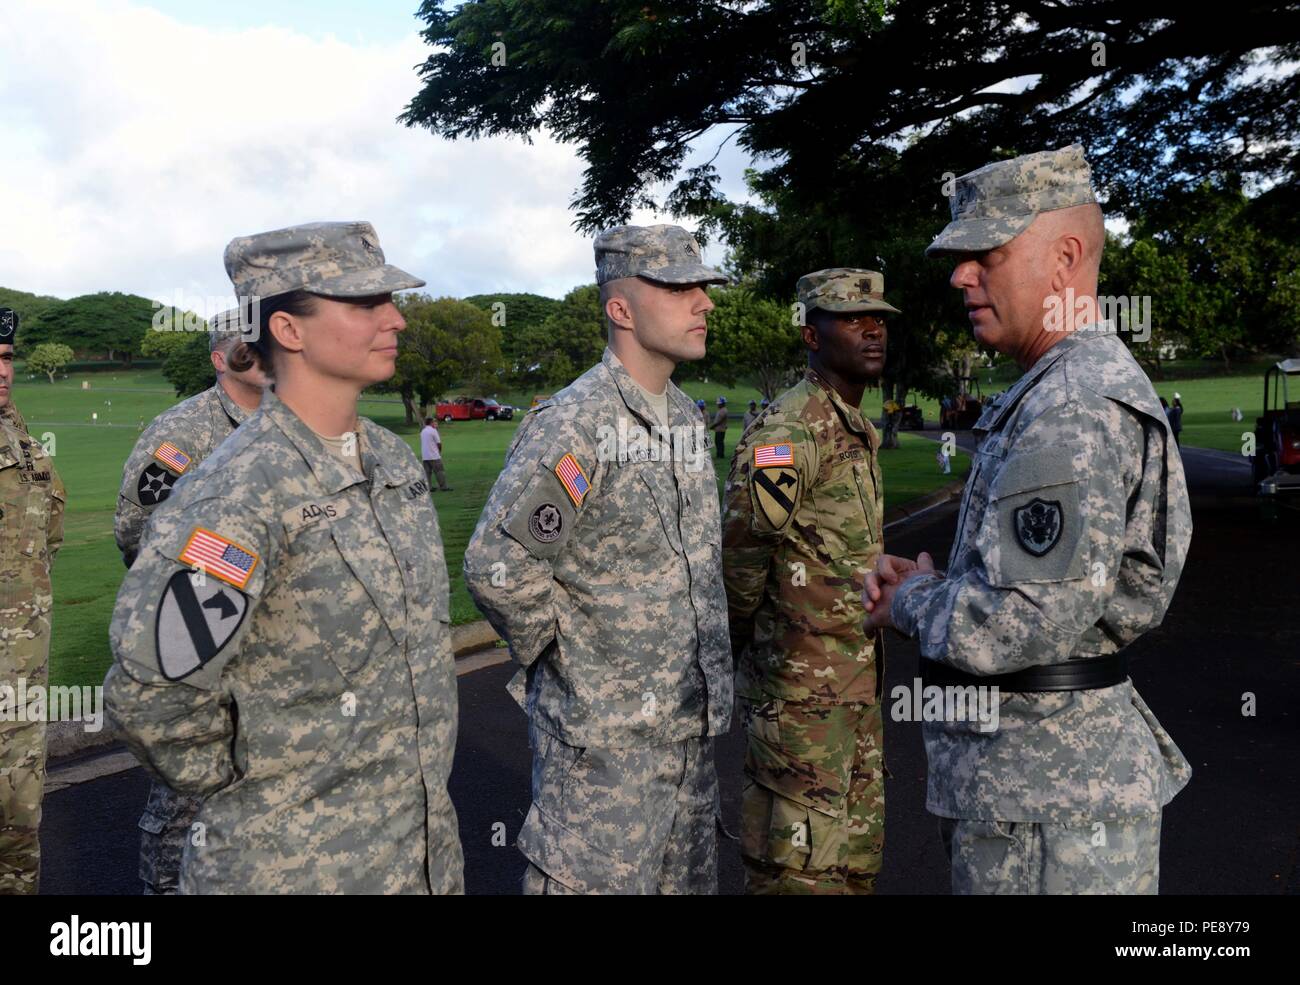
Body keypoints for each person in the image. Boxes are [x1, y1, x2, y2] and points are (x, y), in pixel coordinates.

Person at [864, 145, 1193, 895]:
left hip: (1047, 812)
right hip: (1043, 799)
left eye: (987, 251)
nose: (960, 275)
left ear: (1065, 256)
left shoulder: (1069, 405)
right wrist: (949, 583)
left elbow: (1022, 620)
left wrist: (909, 600)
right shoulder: (1065, 385)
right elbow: (1051, 590)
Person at [104, 221, 464, 894]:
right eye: (364, 303)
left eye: (389, 298)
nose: (396, 319)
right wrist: (256, 788)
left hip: (415, 859)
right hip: (287, 870)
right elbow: (151, 696)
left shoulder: (390, 461)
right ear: (289, 332)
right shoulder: (237, 489)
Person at [463, 223, 732, 895]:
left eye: (703, 287)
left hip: (686, 745)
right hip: (603, 759)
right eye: (678, 288)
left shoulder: (685, 418)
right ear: (621, 309)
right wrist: (573, 662)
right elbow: (499, 565)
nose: (704, 303)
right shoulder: (577, 422)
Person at [723, 268, 897, 894]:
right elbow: (743, 557)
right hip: (801, 708)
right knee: (799, 880)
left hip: (852, 694)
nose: (872, 329)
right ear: (810, 334)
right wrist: (761, 649)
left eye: (878, 318)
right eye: (852, 318)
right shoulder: (791, 431)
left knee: (851, 874)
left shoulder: (848, 423)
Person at [114, 317, 268, 896]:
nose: (258, 353)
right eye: (243, 346)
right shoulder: (183, 432)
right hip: (200, 646)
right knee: (187, 804)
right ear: (218, 359)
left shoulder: (296, 424)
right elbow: (137, 531)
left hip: (274, 657)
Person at [0, 306, 66, 895]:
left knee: (18, 836)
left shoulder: (26, 449)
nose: (1, 371)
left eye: (5, 358)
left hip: (19, 697)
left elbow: (47, 545)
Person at [420, 416, 451, 491]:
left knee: (427, 473)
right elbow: (439, 443)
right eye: (434, 422)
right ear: (431, 423)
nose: (436, 423)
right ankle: (443, 487)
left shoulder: (423, 431)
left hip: (425, 456)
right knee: (439, 471)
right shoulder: (433, 431)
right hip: (434, 455)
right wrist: (439, 451)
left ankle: (429, 487)